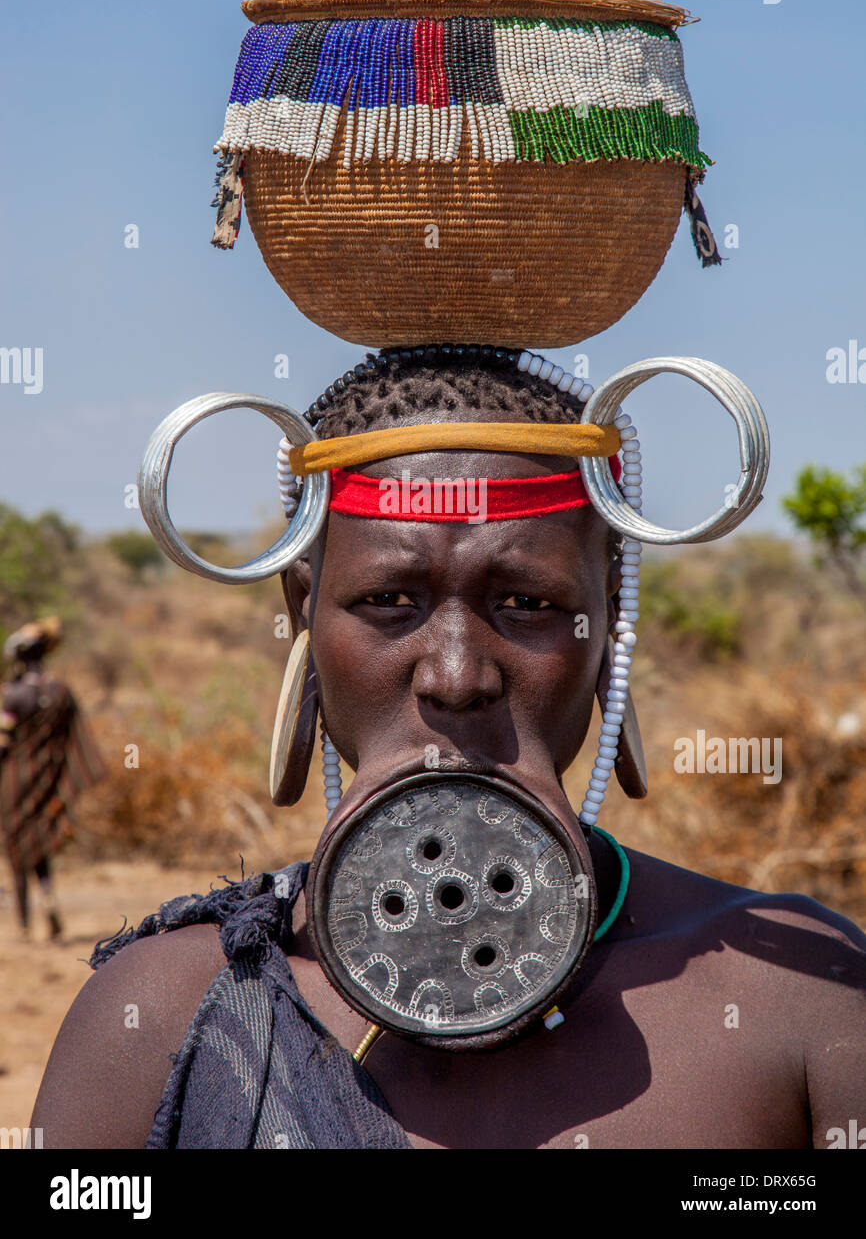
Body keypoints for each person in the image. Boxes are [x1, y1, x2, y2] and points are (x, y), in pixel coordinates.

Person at [31, 347, 866, 1148]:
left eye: (529, 603)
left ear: (611, 612)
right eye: (389, 599)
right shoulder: (159, 1018)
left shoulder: (801, 1005)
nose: (457, 677)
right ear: (302, 608)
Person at [0, 617, 105, 941]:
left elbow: (3, 744)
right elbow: (76, 737)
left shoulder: (13, 694)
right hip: (49, 781)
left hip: (15, 783)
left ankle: (24, 925)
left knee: (17, 848)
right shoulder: (62, 691)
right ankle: (48, 900)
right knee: (40, 845)